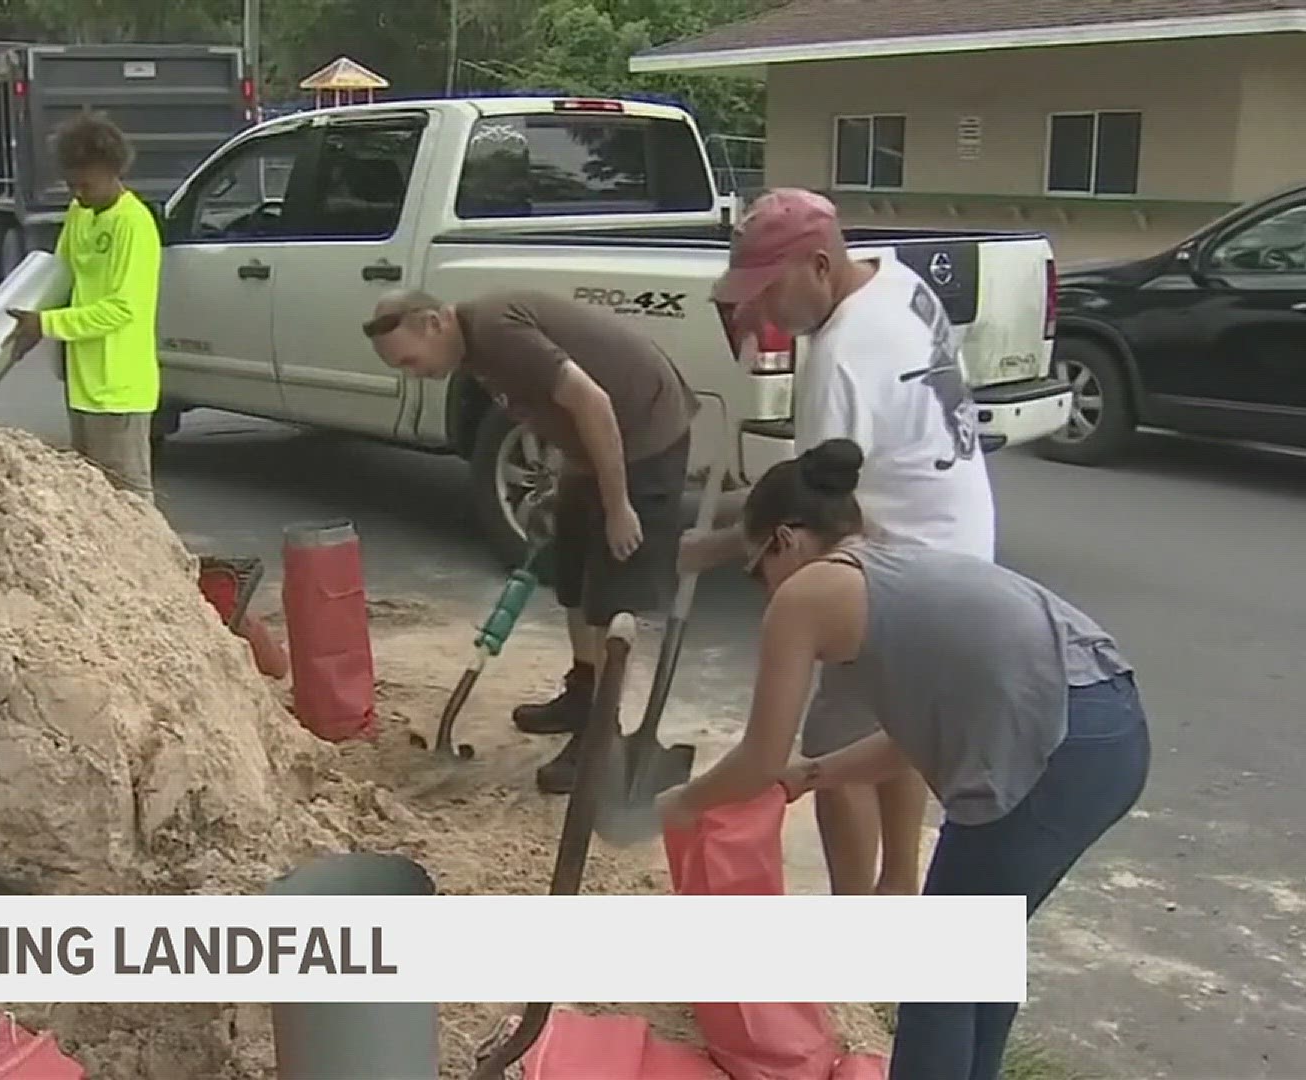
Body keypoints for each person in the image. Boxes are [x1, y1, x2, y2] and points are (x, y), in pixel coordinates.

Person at [658, 439, 1149, 1080]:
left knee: (939, 976)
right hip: (1109, 724)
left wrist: (678, 805)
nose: (762, 590)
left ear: (785, 541)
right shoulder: (891, 568)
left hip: (1056, 743)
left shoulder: (806, 595)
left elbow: (757, 757)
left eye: (755, 572)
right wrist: (818, 773)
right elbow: (920, 732)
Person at [682, 187, 998, 897]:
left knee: (832, 749)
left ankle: (856, 920)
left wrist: (703, 551)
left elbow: (811, 522)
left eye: (769, 291)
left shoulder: (840, 356)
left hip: (898, 564)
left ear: (819, 265)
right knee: (902, 725)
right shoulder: (896, 281)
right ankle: (897, 888)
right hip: (959, 543)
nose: (761, 313)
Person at [364, 288, 698, 793]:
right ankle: (582, 694)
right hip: (594, 449)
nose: (415, 373)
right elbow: (552, 408)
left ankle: (601, 737)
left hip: (643, 437)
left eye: (411, 361)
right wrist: (567, 480)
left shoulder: (496, 331)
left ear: (433, 322)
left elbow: (592, 400)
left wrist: (617, 505)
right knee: (572, 578)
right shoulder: (470, 348)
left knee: (610, 597)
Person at [7, 110, 162, 500]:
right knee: (93, 500)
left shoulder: (134, 224)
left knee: (128, 501)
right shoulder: (80, 214)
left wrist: (47, 324)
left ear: (112, 170)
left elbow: (122, 308)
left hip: (119, 390)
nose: (77, 192)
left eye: (85, 183)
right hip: (82, 385)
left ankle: (146, 562)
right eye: (70, 183)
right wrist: (25, 321)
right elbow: (60, 277)